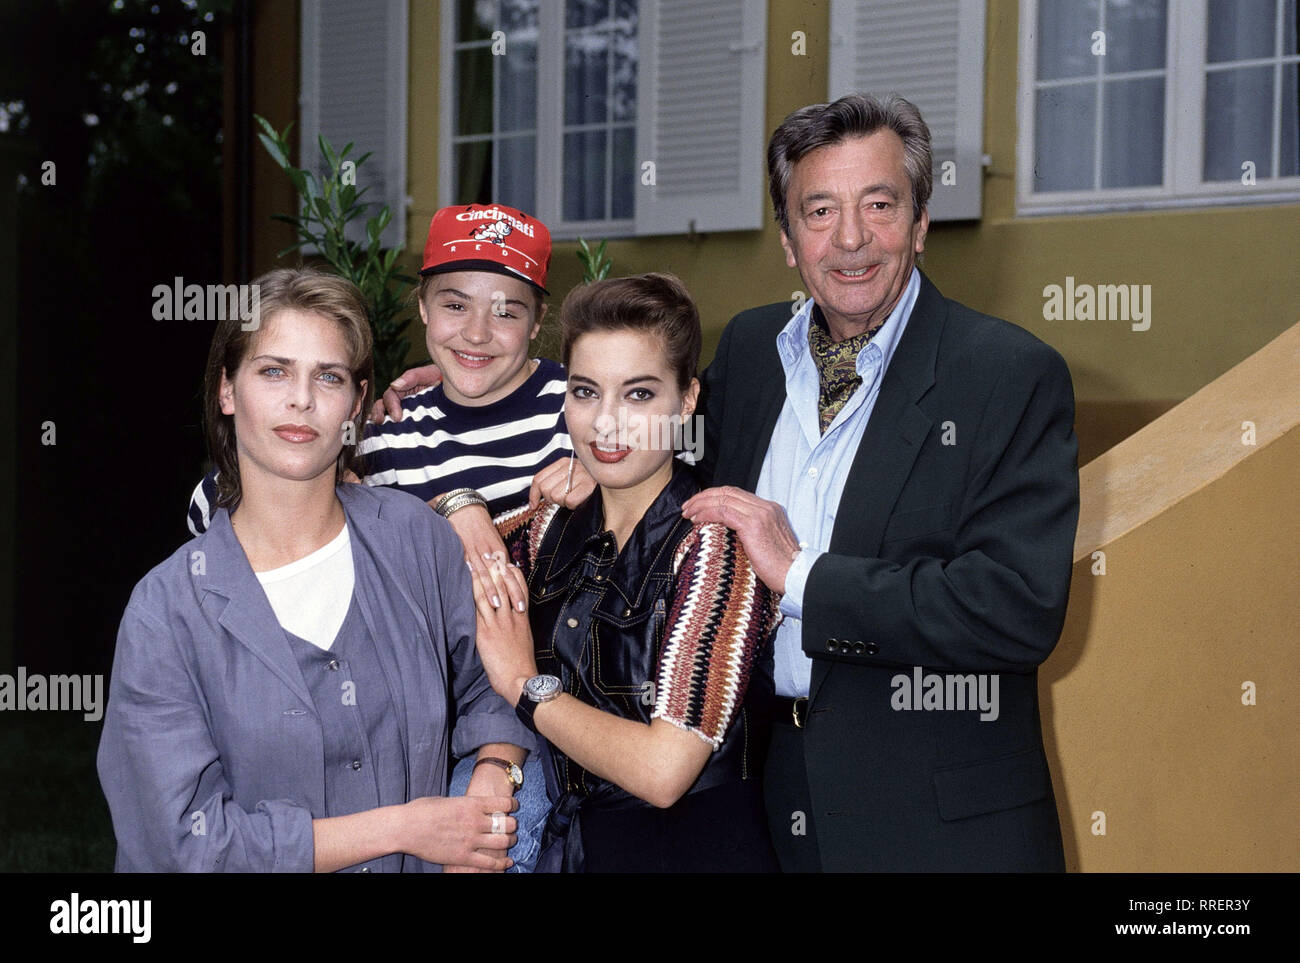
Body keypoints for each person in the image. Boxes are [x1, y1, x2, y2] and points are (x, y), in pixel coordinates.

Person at [682, 93, 1080, 872]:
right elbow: (661, 457)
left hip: (943, 835)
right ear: (790, 240)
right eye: (820, 209)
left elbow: (1014, 608)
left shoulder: (1008, 375)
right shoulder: (752, 351)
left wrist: (798, 573)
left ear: (921, 221)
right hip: (769, 816)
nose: (851, 238)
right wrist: (491, 388)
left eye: (879, 203)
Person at [183, 204, 587, 871]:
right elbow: (228, 501)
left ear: (539, 322)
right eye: (454, 304)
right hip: (413, 714)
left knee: (487, 840)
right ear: (422, 307)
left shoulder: (579, 410)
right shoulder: (388, 432)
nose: (478, 333)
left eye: (507, 311)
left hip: (543, 711)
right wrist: (452, 506)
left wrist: (607, 473)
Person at [98, 267, 530, 872]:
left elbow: (498, 683)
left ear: (357, 402)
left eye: (327, 376)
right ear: (227, 390)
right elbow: (181, 845)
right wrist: (402, 829)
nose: (301, 399)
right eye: (273, 371)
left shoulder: (415, 540)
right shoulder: (165, 613)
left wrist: (493, 771)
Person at [469, 273, 783, 872]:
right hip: (575, 851)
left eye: (638, 395)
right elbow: (418, 558)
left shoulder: (715, 544)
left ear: (686, 401)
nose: (605, 423)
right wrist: (461, 507)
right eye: (586, 392)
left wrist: (524, 686)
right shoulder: (547, 526)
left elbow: (664, 771)